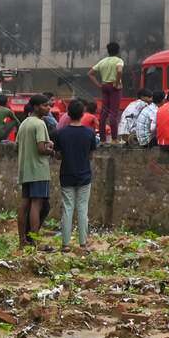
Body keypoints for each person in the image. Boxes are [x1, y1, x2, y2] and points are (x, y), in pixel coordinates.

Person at [53, 99, 98, 251]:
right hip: (84, 175)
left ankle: (65, 244)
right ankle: (83, 243)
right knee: (82, 209)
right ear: (82, 114)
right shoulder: (89, 133)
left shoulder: (61, 133)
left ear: (68, 113)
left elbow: (58, 155)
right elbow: (91, 155)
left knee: (67, 208)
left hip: (66, 174)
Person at [15, 96, 55, 247]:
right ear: (36, 107)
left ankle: (22, 241)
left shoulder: (24, 123)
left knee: (25, 204)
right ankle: (35, 241)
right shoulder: (39, 123)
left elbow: (16, 146)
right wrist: (51, 150)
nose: (48, 108)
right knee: (37, 205)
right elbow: (41, 148)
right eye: (45, 105)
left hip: (25, 170)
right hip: (39, 170)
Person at [88, 41, 125, 143]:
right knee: (113, 113)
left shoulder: (102, 61)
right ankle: (114, 139)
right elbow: (119, 71)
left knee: (104, 113)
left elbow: (90, 73)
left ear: (108, 51)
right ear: (118, 51)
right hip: (114, 87)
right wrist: (117, 82)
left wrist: (98, 84)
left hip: (104, 86)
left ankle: (103, 140)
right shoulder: (119, 60)